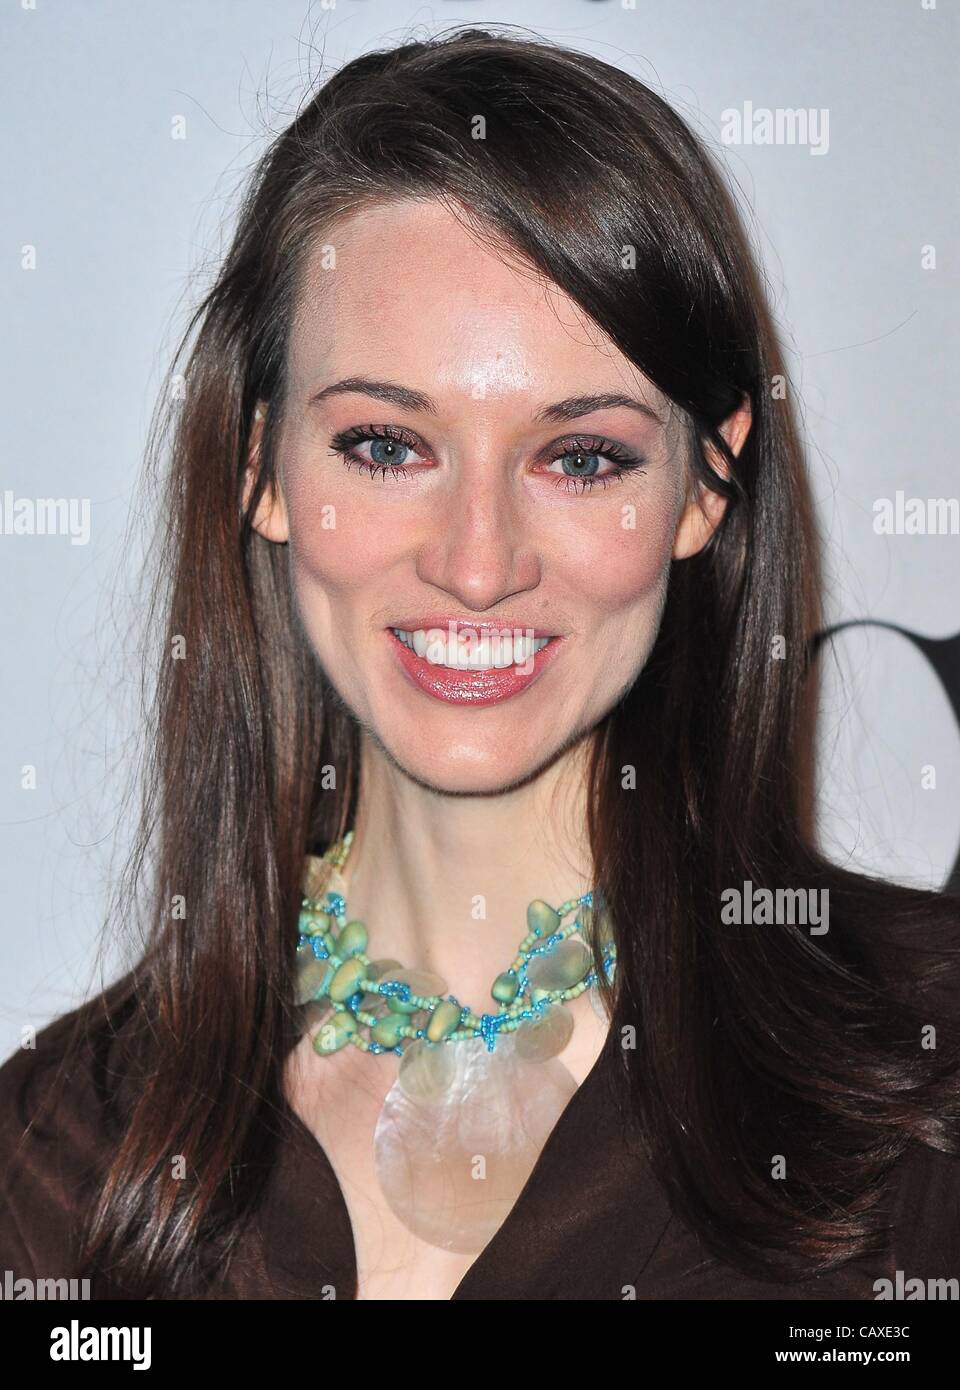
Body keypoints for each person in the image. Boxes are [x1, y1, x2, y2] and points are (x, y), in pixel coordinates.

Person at [1, 26, 958, 1302]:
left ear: (704, 482)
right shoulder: (59, 1157)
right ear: (258, 463)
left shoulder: (924, 1079)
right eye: (388, 444)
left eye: (581, 457)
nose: (477, 560)